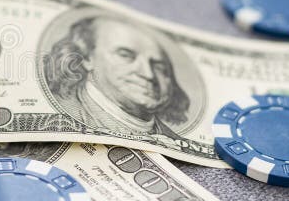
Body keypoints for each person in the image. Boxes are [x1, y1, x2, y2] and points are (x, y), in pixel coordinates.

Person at [44, 15, 190, 140]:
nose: (148, 74)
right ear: (87, 57)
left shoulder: (173, 139)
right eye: (125, 55)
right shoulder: (57, 121)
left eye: (159, 66)